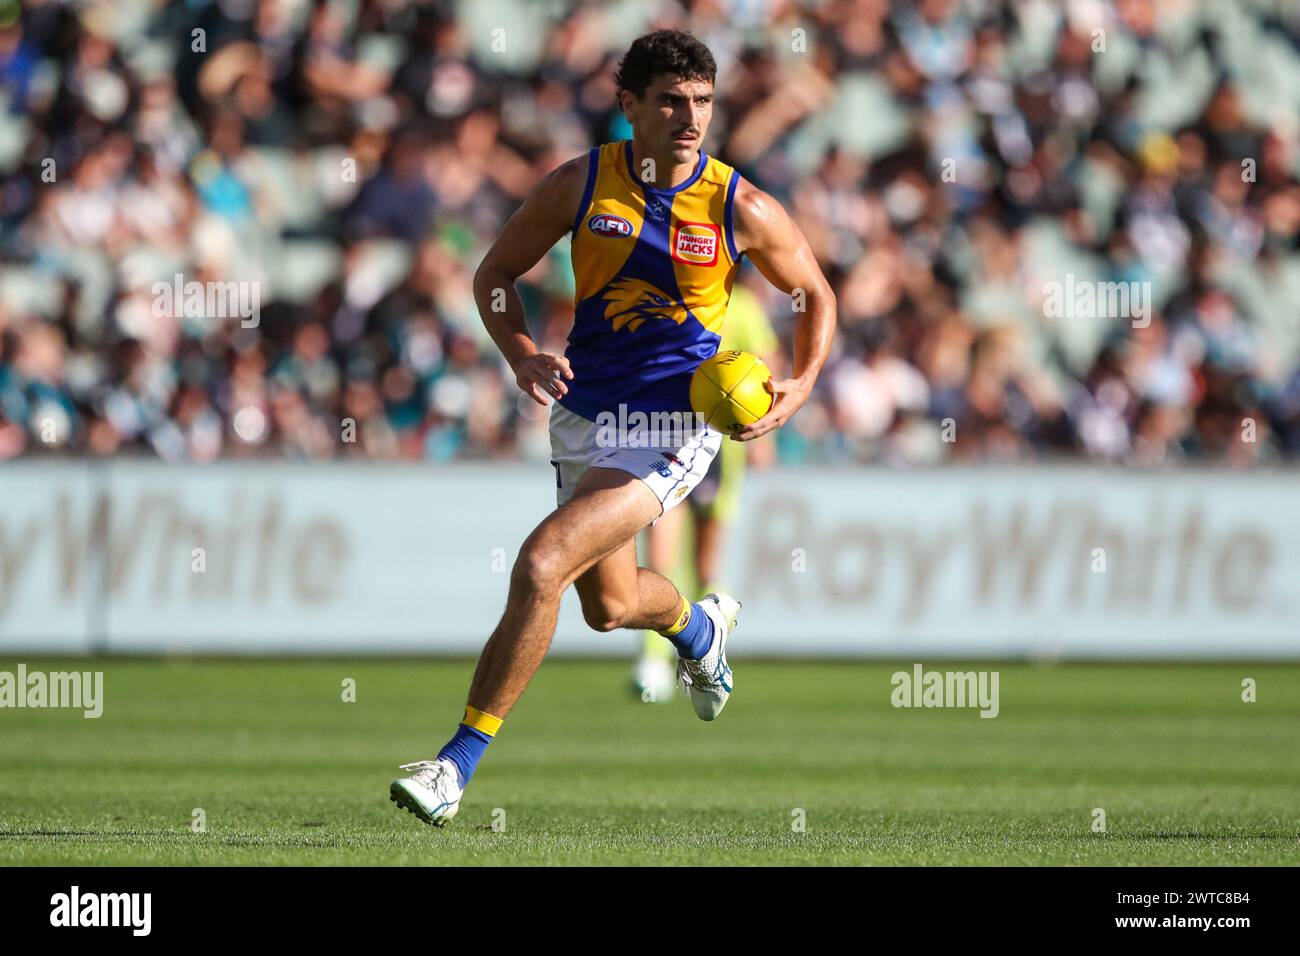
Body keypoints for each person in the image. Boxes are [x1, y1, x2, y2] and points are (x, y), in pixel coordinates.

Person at [389, 29, 836, 826]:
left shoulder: (741, 203)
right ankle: (700, 630)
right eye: (670, 100)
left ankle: (454, 768)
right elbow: (494, 275)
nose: (689, 116)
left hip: (675, 420)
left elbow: (817, 295)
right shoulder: (581, 184)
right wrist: (521, 350)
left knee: (540, 563)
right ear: (629, 105)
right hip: (584, 411)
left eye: (701, 100)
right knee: (609, 606)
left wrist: (798, 387)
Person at [633, 280, 781, 702]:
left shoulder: (746, 307)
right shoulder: (670, 299)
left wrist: (765, 437)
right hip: (665, 432)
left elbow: (764, 369)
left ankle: (704, 656)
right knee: (660, 551)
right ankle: (653, 659)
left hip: (718, 445)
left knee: (704, 560)